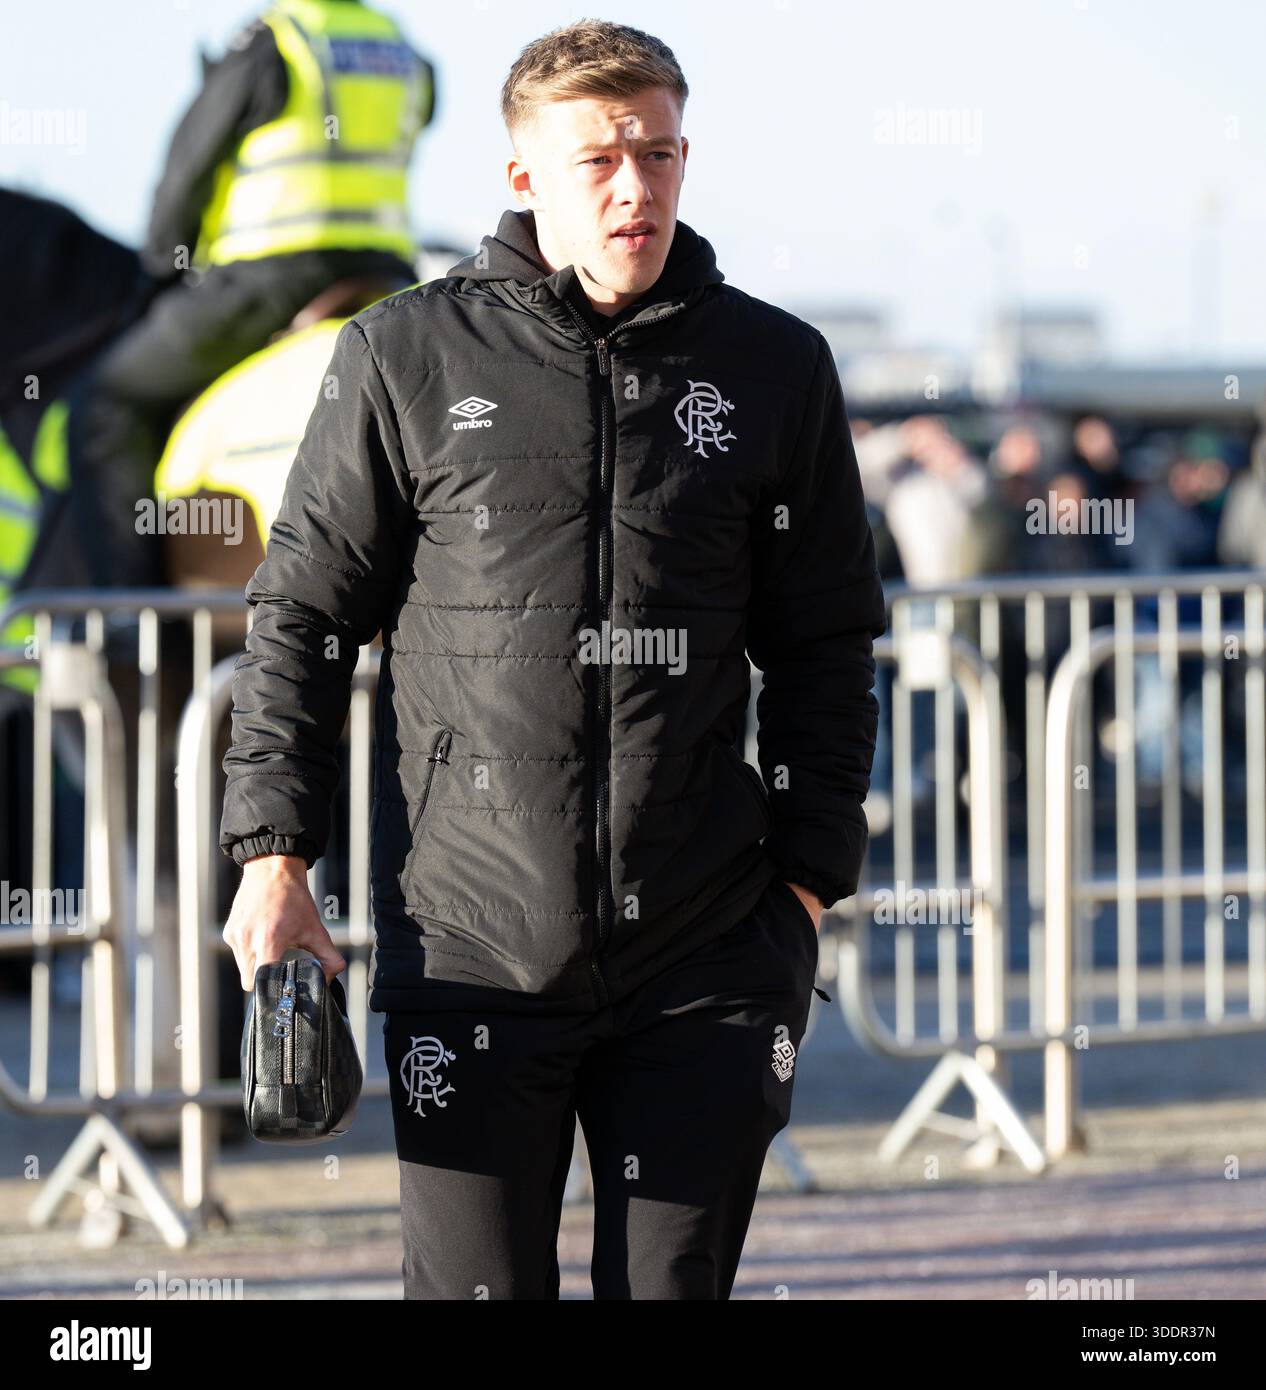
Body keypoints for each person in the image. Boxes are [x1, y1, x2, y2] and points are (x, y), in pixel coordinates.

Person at [217, 19, 885, 1300]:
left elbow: (827, 639)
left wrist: (806, 884)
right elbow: (298, 616)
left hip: (705, 949)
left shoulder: (773, 366)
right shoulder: (404, 355)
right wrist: (273, 856)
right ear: (524, 176)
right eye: (600, 160)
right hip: (472, 941)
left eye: (661, 152)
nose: (636, 187)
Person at [65, 0, 436, 587]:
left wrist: (161, 268)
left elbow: (188, 170)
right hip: (388, 276)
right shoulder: (401, 48)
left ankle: (122, 612)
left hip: (268, 279)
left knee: (105, 406)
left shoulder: (272, 42)